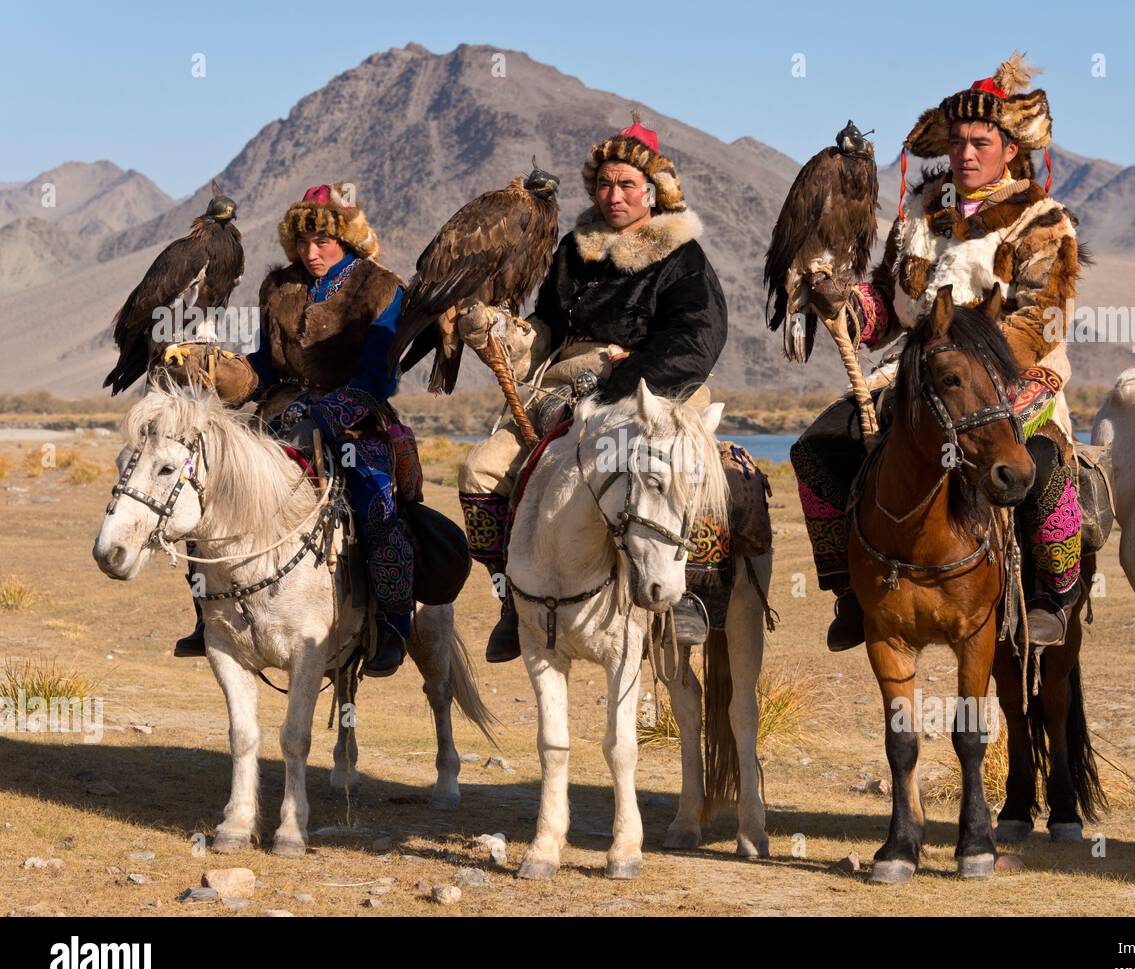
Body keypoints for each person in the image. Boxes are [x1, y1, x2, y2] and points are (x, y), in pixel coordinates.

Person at [791, 52, 1087, 651]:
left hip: (1012, 379)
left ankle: (1051, 597)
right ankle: (850, 590)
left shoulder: (1043, 222)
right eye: (956, 142)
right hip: (917, 379)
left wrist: (963, 359)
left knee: (1042, 465)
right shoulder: (919, 219)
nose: (966, 154)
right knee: (817, 450)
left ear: (1010, 148)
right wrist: (843, 305)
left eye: (981, 141)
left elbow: (1038, 321)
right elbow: (884, 306)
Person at [457, 112, 728, 662]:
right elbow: (551, 320)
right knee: (479, 470)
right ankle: (513, 596)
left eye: (627, 184)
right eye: (605, 183)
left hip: (659, 383)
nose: (614, 194)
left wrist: (628, 379)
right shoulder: (573, 250)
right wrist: (511, 335)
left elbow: (699, 334)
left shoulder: (682, 255)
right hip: (566, 383)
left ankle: (686, 594)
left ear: (652, 192)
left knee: (683, 470)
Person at [175, 183, 413, 675]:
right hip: (279, 411)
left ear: (344, 238)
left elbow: (379, 374)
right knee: (213, 492)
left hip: (354, 416)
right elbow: (265, 362)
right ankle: (209, 614)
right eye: (302, 243)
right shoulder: (279, 286)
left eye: (322, 242)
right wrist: (220, 369)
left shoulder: (380, 287)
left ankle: (392, 624)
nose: (312, 253)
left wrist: (331, 410)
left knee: (376, 502)